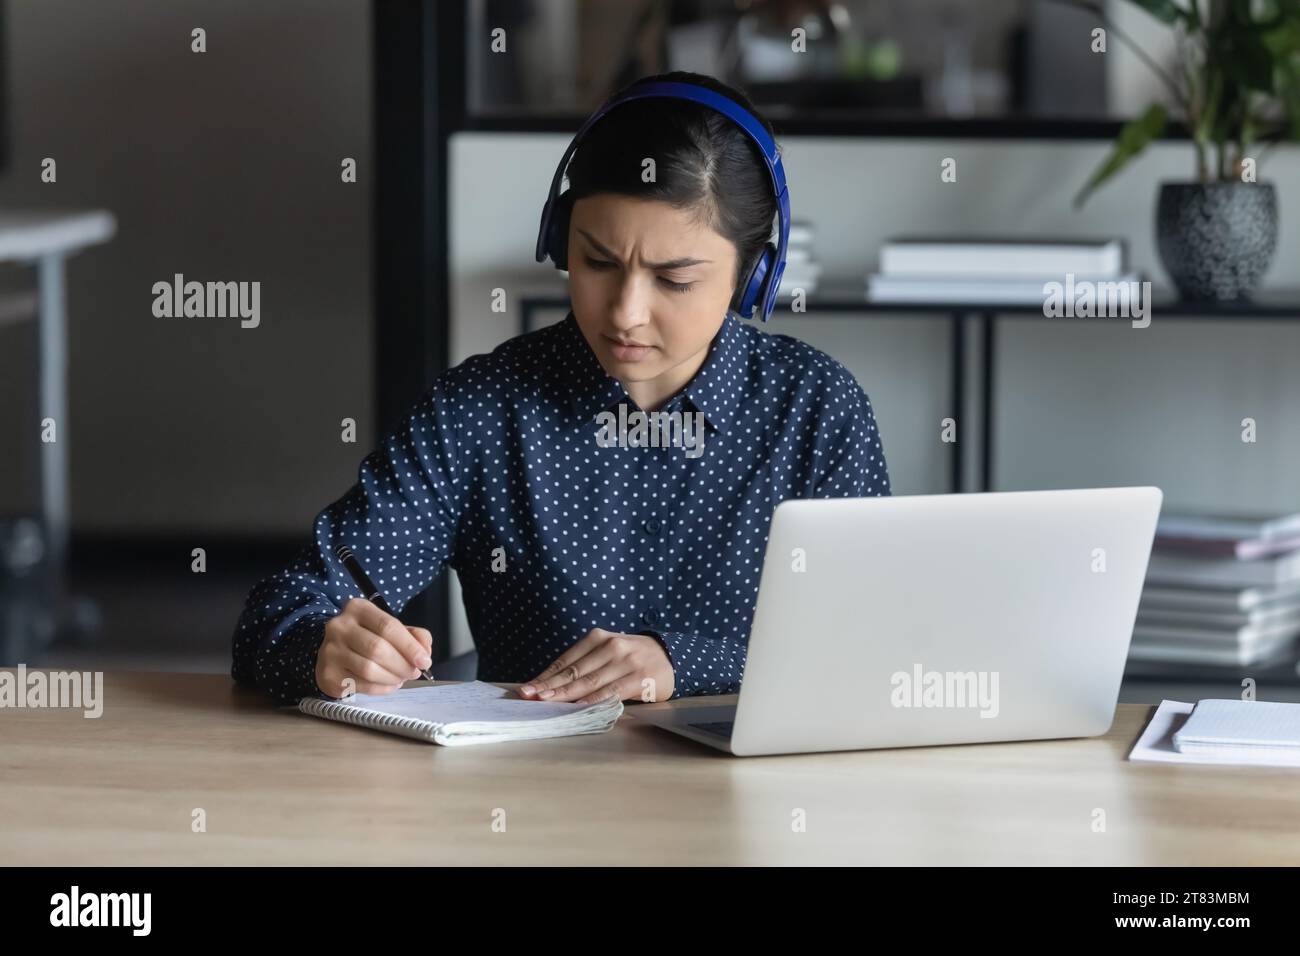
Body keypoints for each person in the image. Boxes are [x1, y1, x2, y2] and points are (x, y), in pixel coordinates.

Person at [231, 70, 890, 707]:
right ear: (557, 238)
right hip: (525, 800)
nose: (626, 312)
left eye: (675, 280)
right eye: (598, 261)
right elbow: (283, 611)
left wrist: (683, 662)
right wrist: (326, 647)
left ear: (753, 277)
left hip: (757, 798)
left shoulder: (817, 409)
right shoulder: (481, 409)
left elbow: (868, 650)